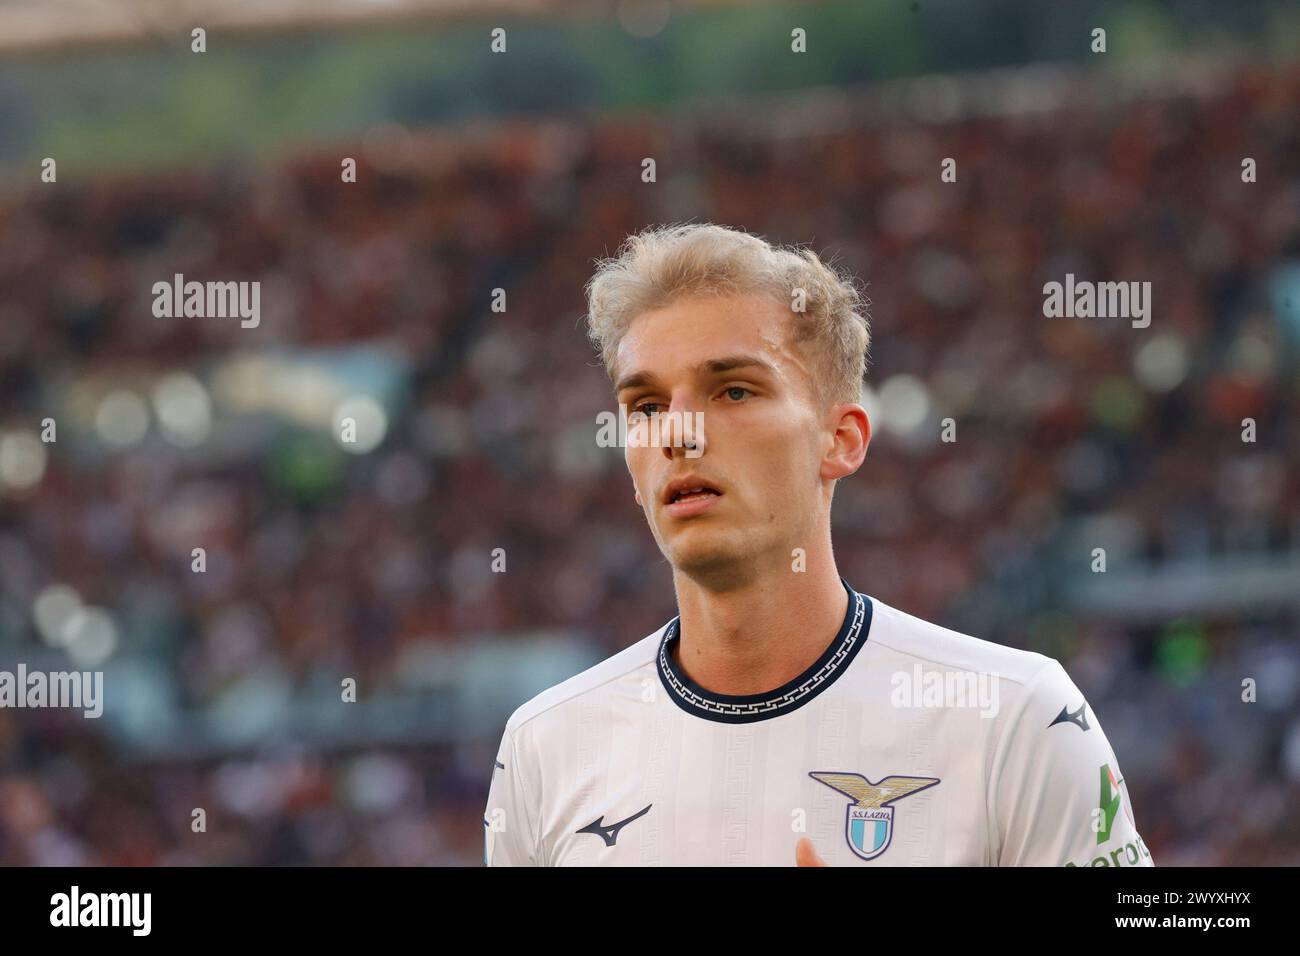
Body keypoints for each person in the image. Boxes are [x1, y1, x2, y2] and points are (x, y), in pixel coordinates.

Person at [483, 222, 1152, 867]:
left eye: (733, 390)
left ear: (842, 439)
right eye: (648, 407)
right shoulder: (546, 748)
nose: (679, 433)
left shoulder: (1015, 715)